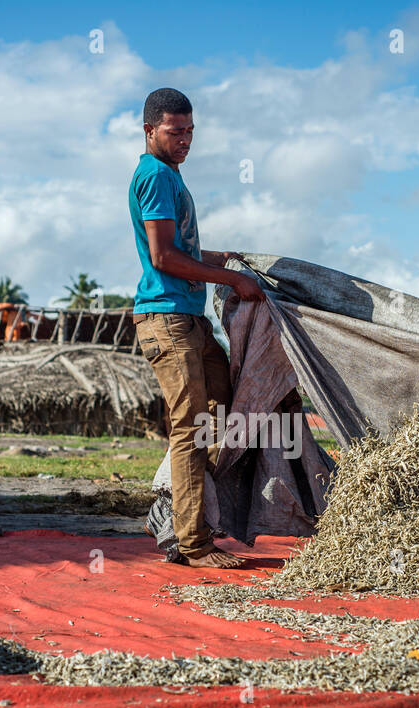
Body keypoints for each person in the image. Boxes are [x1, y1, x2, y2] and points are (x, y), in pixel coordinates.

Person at [129, 87, 266, 569]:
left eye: (190, 131)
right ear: (150, 131)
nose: (185, 139)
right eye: (175, 131)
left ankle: (174, 510)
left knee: (228, 409)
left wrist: (220, 257)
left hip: (191, 319)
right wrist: (229, 278)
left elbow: (178, 251)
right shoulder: (154, 177)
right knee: (190, 428)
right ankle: (193, 543)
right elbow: (164, 259)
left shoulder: (171, 176)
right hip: (165, 319)